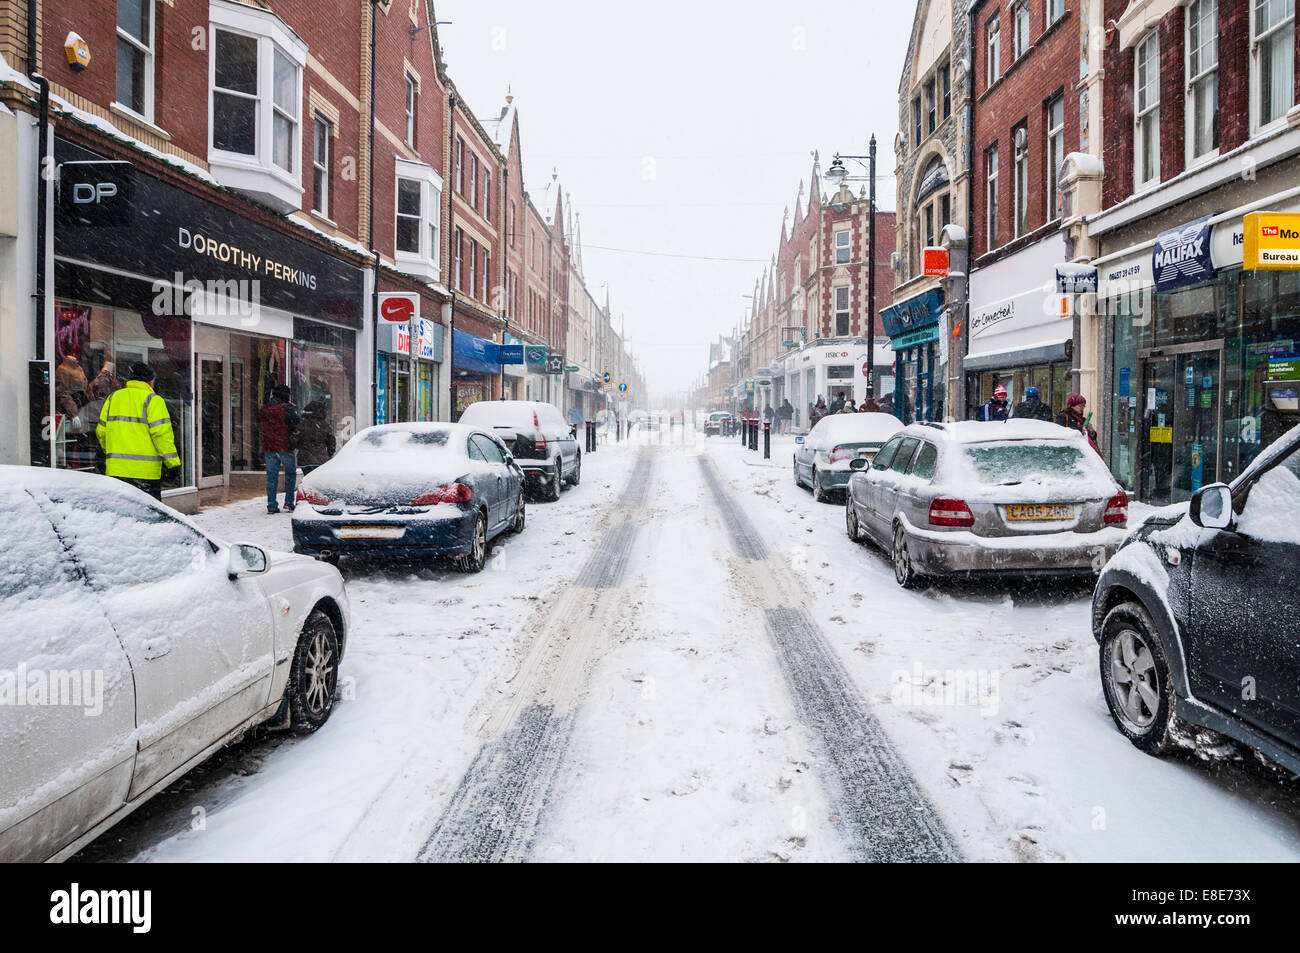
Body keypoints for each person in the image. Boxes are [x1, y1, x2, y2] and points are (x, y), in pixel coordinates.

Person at [94, 361, 180, 500]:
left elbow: (101, 432)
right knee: (147, 512)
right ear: (150, 380)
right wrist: (172, 463)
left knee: (120, 510)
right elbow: (161, 435)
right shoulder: (153, 400)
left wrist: (110, 451)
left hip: (116, 471)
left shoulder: (113, 398)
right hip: (146, 474)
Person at [260, 383, 301, 513]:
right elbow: (297, 422)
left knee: (272, 477)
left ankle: (271, 505)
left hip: (269, 446)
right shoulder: (286, 408)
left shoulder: (265, 408)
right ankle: (288, 502)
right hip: (284, 445)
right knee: (290, 474)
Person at [296, 400, 336, 475]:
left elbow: (294, 440)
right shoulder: (324, 425)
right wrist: (329, 454)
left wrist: (301, 446)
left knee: (307, 478)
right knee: (318, 479)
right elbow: (331, 442)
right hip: (321, 459)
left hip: (305, 459)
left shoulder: (302, 424)